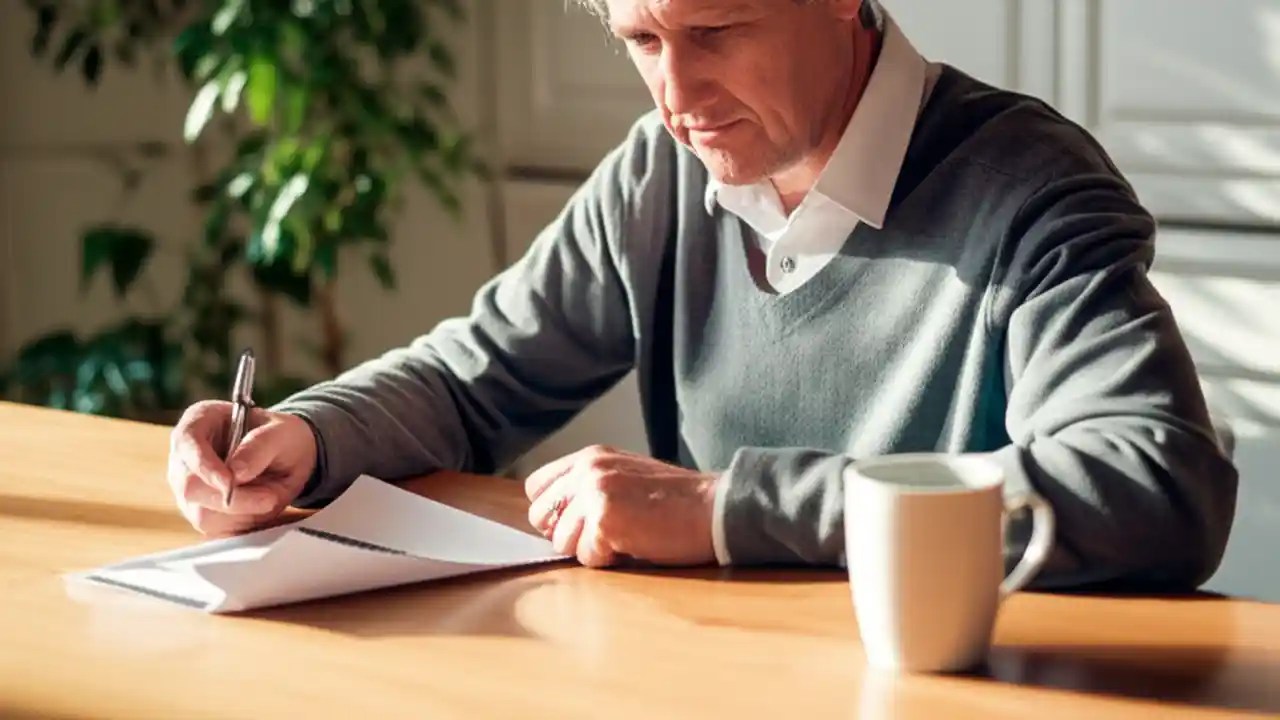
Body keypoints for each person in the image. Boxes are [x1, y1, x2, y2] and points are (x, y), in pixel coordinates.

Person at [166, 0, 1238, 590]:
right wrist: (303, 435)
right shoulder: (657, 176)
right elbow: (471, 379)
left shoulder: (1030, 186)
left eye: (714, 31)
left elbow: (1148, 485)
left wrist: (726, 509)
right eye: (640, 41)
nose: (674, 98)